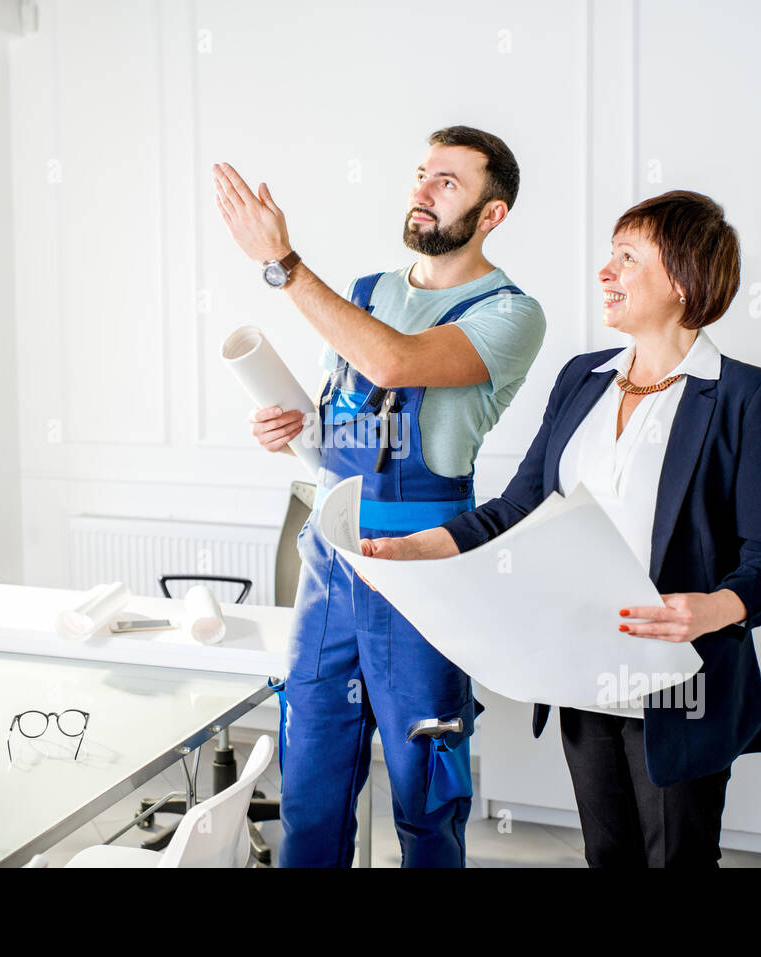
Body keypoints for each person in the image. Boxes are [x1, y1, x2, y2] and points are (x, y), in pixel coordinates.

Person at [361, 190, 761, 867]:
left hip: (681, 681)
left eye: (628, 257)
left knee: (677, 859)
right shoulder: (581, 379)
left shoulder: (746, 395)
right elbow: (517, 508)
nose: (606, 271)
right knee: (608, 855)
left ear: (682, 281)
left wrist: (714, 607)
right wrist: (417, 548)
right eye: (610, 255)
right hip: (584, 670)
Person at [213, 126, 546, 867]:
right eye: (422, 174)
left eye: (448, 182)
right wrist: (296, 426)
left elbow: (395, 364)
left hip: (423, 571)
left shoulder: (510, 313)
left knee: (426, 794)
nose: (422, 191)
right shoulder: (366, 294)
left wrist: (281, 265)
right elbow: (341, 424)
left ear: (492, 214)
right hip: (329, 567)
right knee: (312, 788)